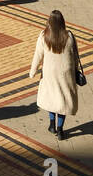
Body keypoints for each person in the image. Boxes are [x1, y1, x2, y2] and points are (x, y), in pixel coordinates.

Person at [29, 10, 81, 140]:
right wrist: (75, 69)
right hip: (66, 74)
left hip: (49, 73)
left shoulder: (44, 36)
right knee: (63, 101)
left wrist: (32, 71)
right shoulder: (69, 36)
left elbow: (38, 55)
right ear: (62, 22)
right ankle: (60, 130)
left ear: (49, 22)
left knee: (52, 98)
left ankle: (51, 124)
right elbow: (75, 55)